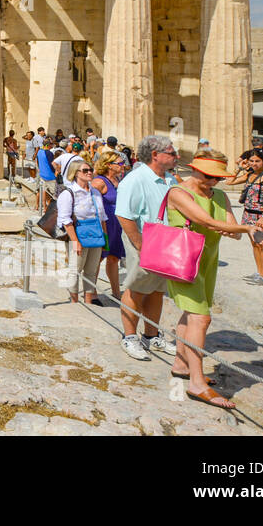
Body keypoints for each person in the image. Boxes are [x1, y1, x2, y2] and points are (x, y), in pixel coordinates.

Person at [164, 152, 262, 410]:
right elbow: (206, 221)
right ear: (195, 170)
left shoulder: (219, 195)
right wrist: (244, 228)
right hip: (184, 259)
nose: (213, 182)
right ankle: (197, 383)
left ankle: (181, 364)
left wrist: (234, 229)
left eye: (218, 177)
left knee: (191, 313)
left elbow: (232, 231)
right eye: (209, 176)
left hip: (208, 259)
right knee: (201, 317)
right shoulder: (178, 193)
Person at [113, 135, 181, 361]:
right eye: (171, 153)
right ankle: (129, 337)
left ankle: (151, 335)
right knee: (136, 288)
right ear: (155, 155)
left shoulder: (170, 179)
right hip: (142, 241)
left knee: (156, 290)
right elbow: (124, 214)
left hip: (165, 242)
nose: (176, 156)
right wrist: (141, 245)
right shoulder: (135, 179)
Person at [59, 162, 108, 305]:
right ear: (76, 173)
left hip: (95, 235)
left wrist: (105, 239)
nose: (89, 172)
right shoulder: (68, 193)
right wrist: (75, 241)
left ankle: (88, 302)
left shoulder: (95, 192)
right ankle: (74, 304)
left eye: (90, 170)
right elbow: (65, 220)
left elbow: (103, 217)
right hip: (79, 234)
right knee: (75, 270)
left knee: (91, 272)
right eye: (85, 170)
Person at [231, 148, 263, 284]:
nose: (254, 163)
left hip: (261, 216)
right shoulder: (249, 175)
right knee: (254, 244)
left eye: (257, 161)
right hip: (248, 214)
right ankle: (259, 272)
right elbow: (230, 182)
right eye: (251, 161)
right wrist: (239, 169)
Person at [91, 150, 128, 299]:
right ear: (108, 165)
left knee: (114, 258)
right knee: (98, 259)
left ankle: (116, 293)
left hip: (118, 226)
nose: (123, 165)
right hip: (105, 226)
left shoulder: (119, 181)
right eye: (119, 163)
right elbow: (91, 204)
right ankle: (91, 293)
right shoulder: (99, 182)